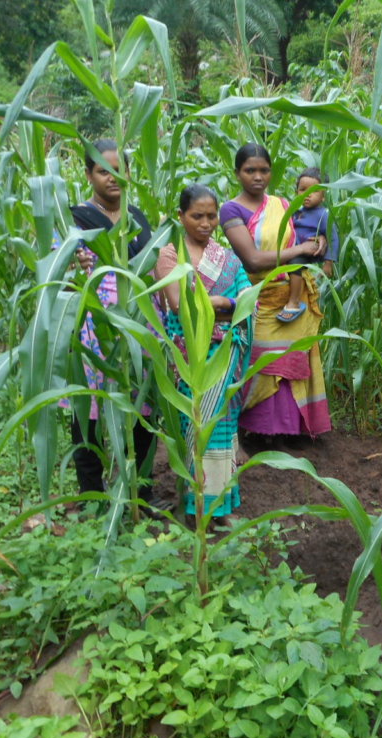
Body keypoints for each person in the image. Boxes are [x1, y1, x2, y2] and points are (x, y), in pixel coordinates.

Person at [58, 139, 156, 502]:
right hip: (93, 328)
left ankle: (141, 493)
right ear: (88, 175)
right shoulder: (74, 220)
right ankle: (92, 497)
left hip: (141, 323)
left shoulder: (138, 217)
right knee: (90, 412)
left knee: (143, 406)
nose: (113, 178)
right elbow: (56, 278)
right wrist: (73, 266)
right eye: (103, 171)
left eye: (119, 169)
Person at [219, 143, 333, 439]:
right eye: (250, 170)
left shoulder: (282, 204)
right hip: (260, 297)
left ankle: (288, 431)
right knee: (263, 362)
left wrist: (320, 241)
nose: (258, 176)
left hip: (292, 297)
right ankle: (257, 431)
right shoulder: (231, 209)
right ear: (237, 173)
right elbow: (253, 259)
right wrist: (300, 249)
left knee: (291, 362)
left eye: (264, 170)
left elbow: (308, 232)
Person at [153, 184, 253, 521]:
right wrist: (223, 303)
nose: (206, 223)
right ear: (181, 216)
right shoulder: (170, 255)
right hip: (188, 358)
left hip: (224, 353)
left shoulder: (226, 257)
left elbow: (247, 298)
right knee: (194, 428)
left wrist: (220, 304)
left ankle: (220, 506)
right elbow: (179, 304)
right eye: (197, 216)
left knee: (221, 429)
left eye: (212, 216)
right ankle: (194, 507)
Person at [279, 167, 339, 322]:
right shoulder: (294, 211)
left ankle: (294, 302)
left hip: (309, 253)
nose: (307, 194)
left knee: (295, 263)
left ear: (323, 196)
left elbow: (332, 238)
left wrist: (328, 263)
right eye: (302, 190)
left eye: (314, 191)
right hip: (294, 249)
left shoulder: (324, 214)